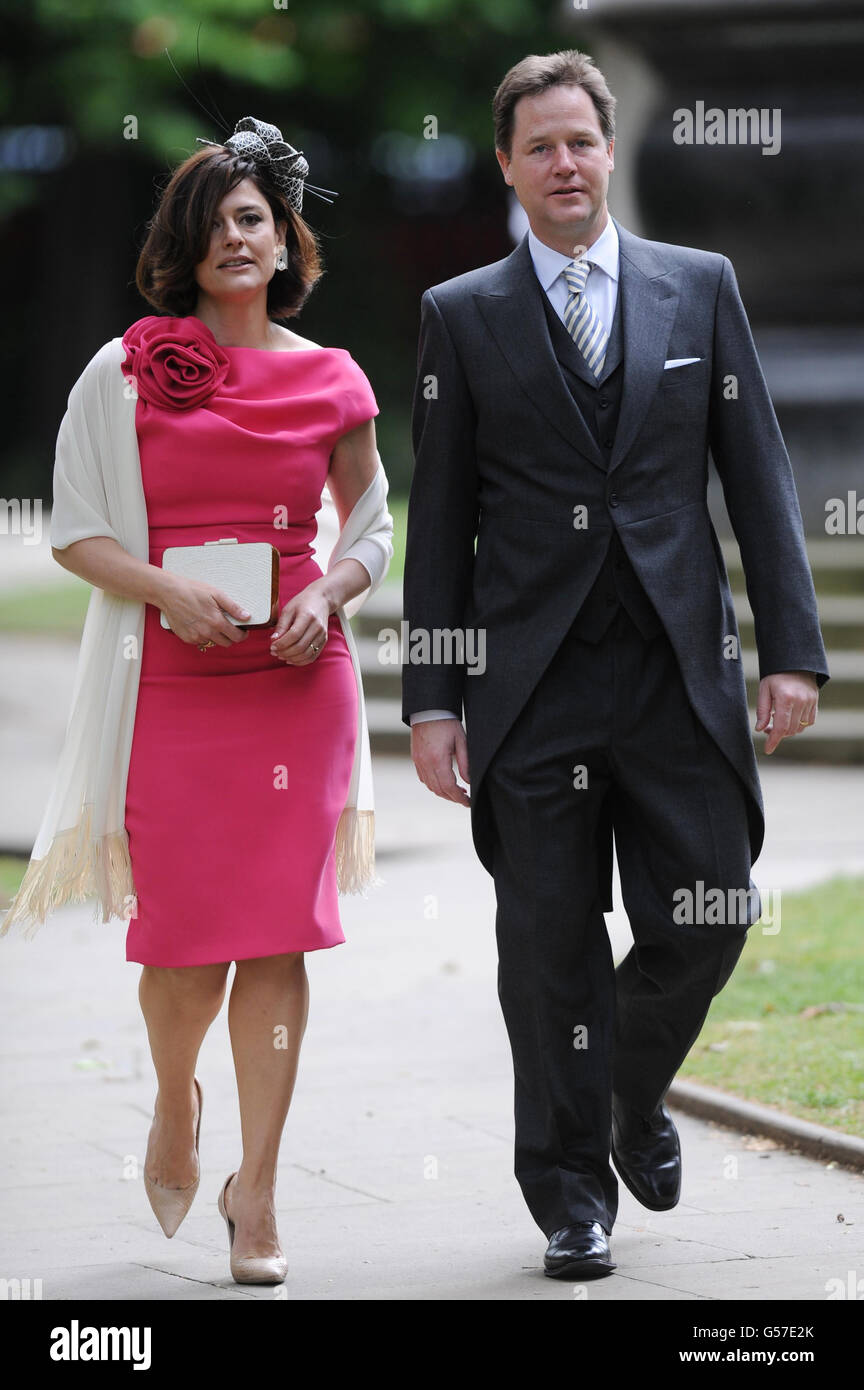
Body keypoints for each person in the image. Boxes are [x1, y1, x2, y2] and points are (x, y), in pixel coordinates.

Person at [402, 51, 828, 1280]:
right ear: (508, 167)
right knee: (547, 947)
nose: (565, 164)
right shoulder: (462, 315)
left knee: (711, 906)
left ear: (608, 144)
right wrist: (435, 693)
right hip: (530, 684)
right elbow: (440, 523)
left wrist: (790, 649)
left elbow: (758, 472)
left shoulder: (701, 289)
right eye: (539, 147)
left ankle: (629, 1096)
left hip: (675, 667)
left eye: (581, 141)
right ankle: (570, 1201)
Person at [2, 117, 393, 1286]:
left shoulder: (334, 377)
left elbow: (375, 522)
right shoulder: (122, 370)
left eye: (253, 217)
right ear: (186, 244)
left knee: (278, 939)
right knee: (180, 950)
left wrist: (331, 587)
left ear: (284, 242)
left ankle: (258, 1192)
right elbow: (73, 528)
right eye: (213, 220)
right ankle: (174, 1105)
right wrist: (164, 586)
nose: (234, 235)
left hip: (293, 679)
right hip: (169, 682)